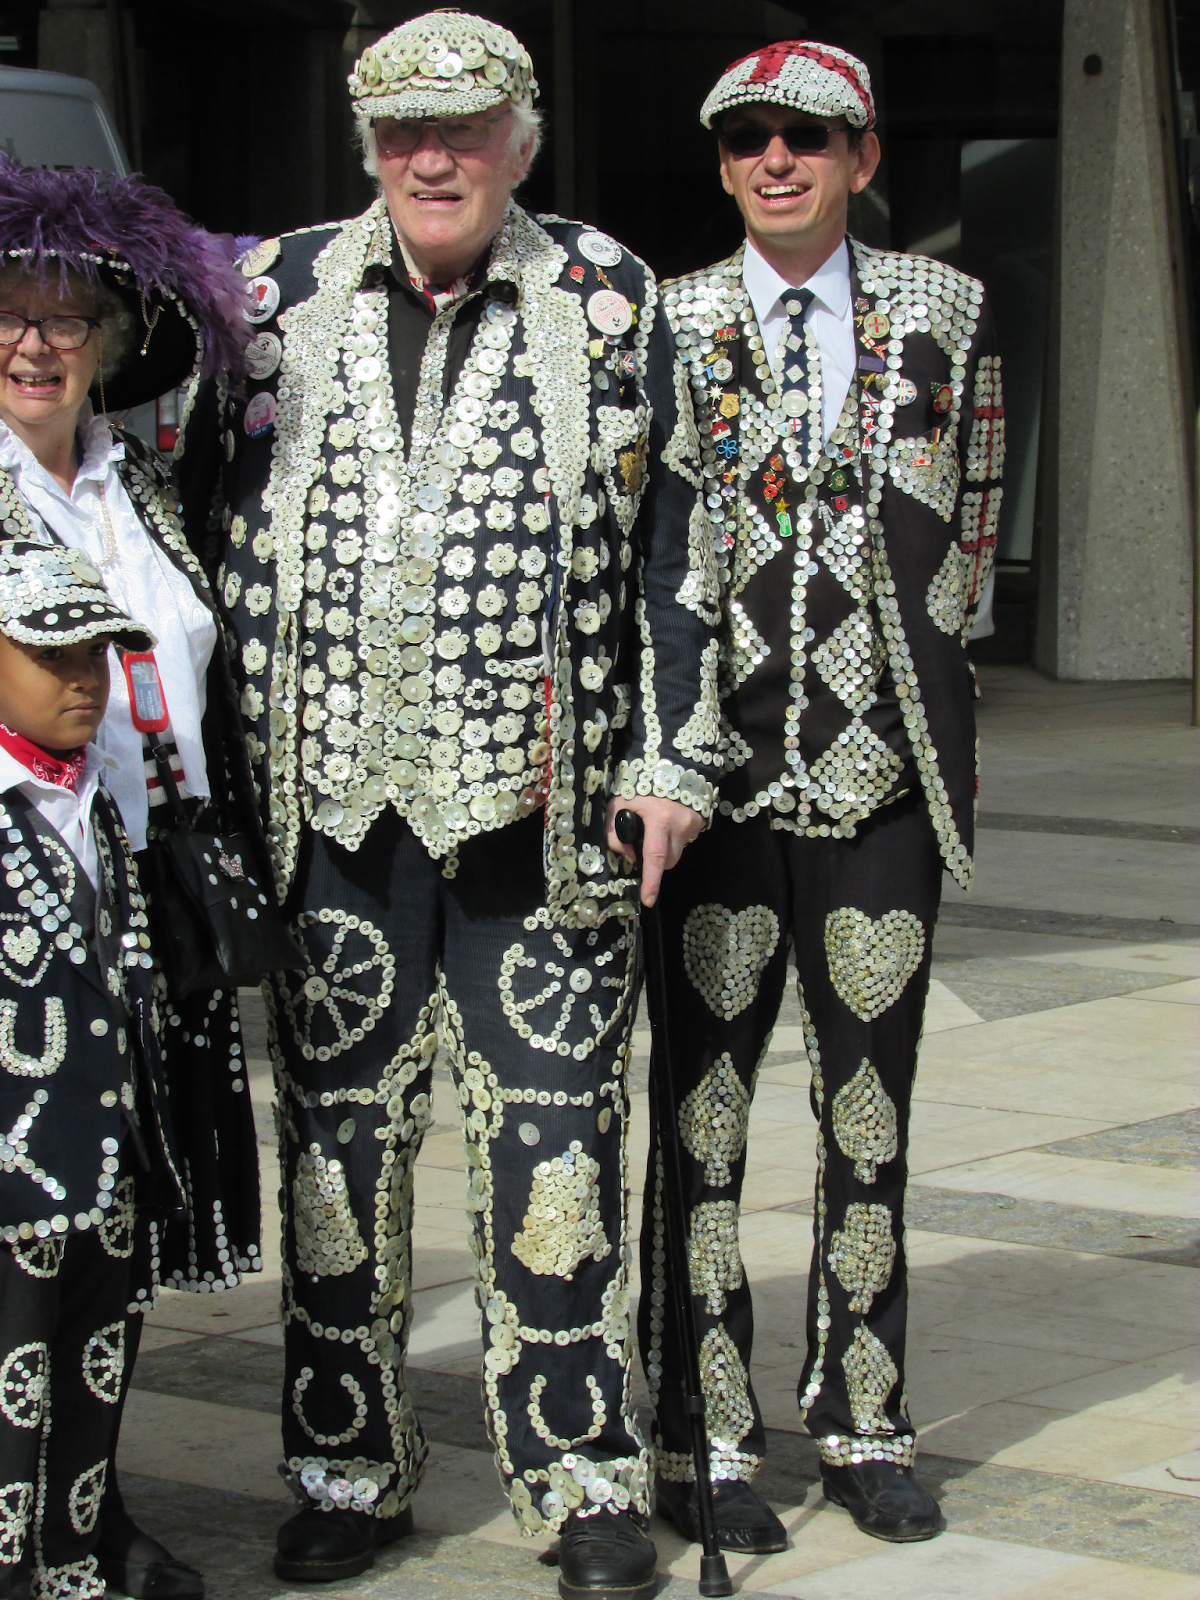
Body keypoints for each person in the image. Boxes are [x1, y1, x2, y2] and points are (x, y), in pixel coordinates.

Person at [176, 10, 720, 1599]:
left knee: (558, 1138)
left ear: (519, 143)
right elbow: (201, 520)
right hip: (327, 816)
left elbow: (679, 549)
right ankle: (348, 1462)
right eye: (405, 131)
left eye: (464, 130)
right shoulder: (272, 293)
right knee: (336, 1151)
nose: (434, 157)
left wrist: (668, 763)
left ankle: (581, 1470)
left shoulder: (611, 296)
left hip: (541, 824)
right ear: (367, 147)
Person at [641, 40, 1003, 1550]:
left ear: (862, 157)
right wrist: (659, 752)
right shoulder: (669, 319)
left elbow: (973, 519)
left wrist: (925, 704)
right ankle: (706, 1439)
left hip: (881, 792)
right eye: (747, 140)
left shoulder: (951, 310)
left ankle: (862, 1417)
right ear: (723, 164)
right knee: (702, 1121)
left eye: (809, 136)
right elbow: (648, 544)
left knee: (871, 1117)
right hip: (716, 794)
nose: (775, 160)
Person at [0, 156, 261, 1598]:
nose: (37, 342)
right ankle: (17, 1532)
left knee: (120, 1229)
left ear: (109, 340)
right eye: (8, 312)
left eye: (66, 314)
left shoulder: (145, 485)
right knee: (23, 1235)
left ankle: (87, 1515)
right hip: (13, 901)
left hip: (154, 898)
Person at [0, 538, 181, 1600]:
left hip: (108, 1165)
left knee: (89, 1386)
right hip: (16, 1173)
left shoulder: (101, 808)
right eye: (50, 650)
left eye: (98, 653)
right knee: (10, 1390)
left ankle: (72, 1565)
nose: (82, 677)